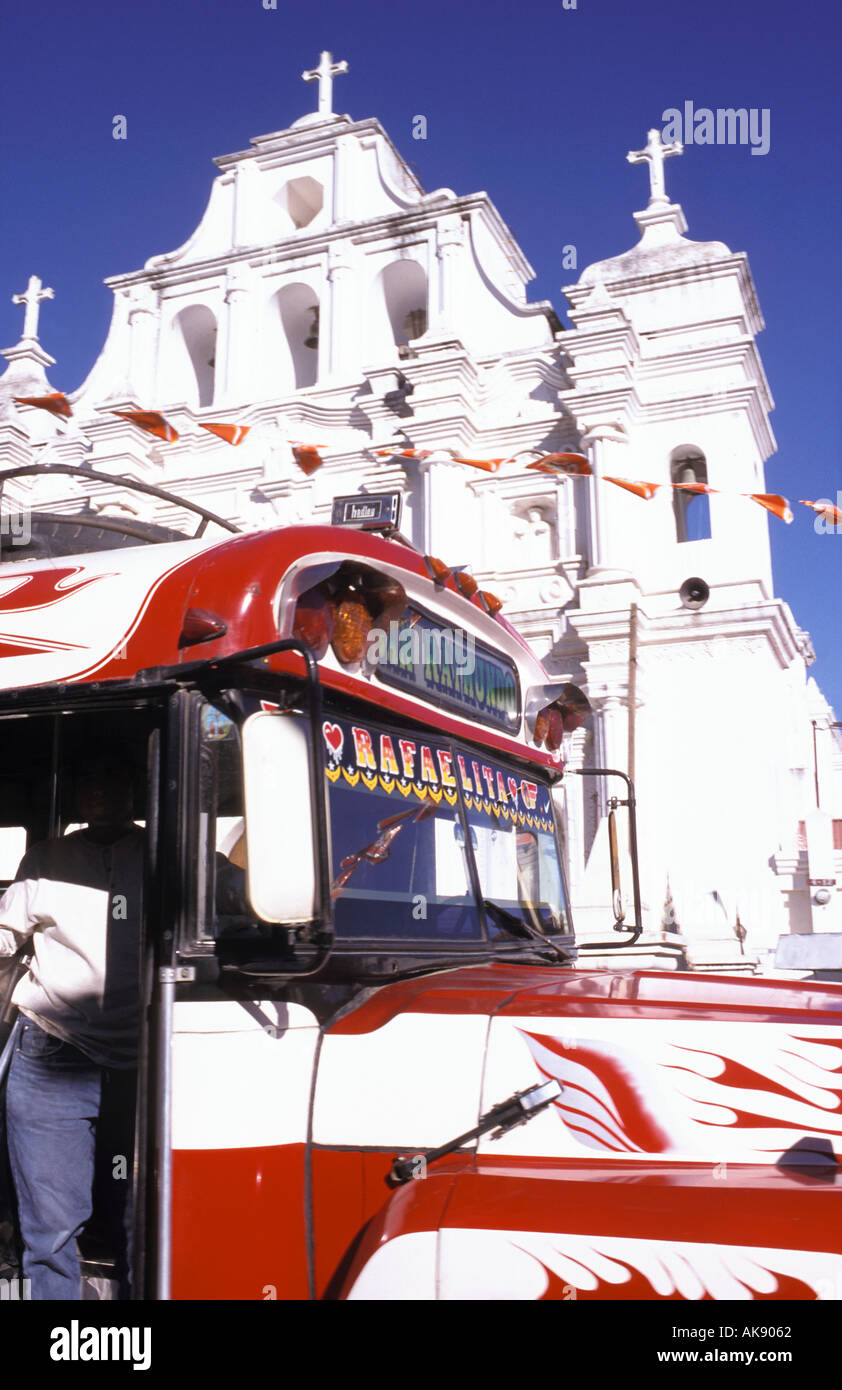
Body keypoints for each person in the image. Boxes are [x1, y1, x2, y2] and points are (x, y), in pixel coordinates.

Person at [0, 750, 144, 1299]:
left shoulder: (169, 855)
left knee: (140, 1211)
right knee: (52, 1225)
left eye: (112, 777)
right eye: (89, 782)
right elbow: (6, 932)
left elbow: (241, 896)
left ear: (136, 791)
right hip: (53, 1048)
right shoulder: (47, 858)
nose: (99, 791)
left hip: (147, 1057)